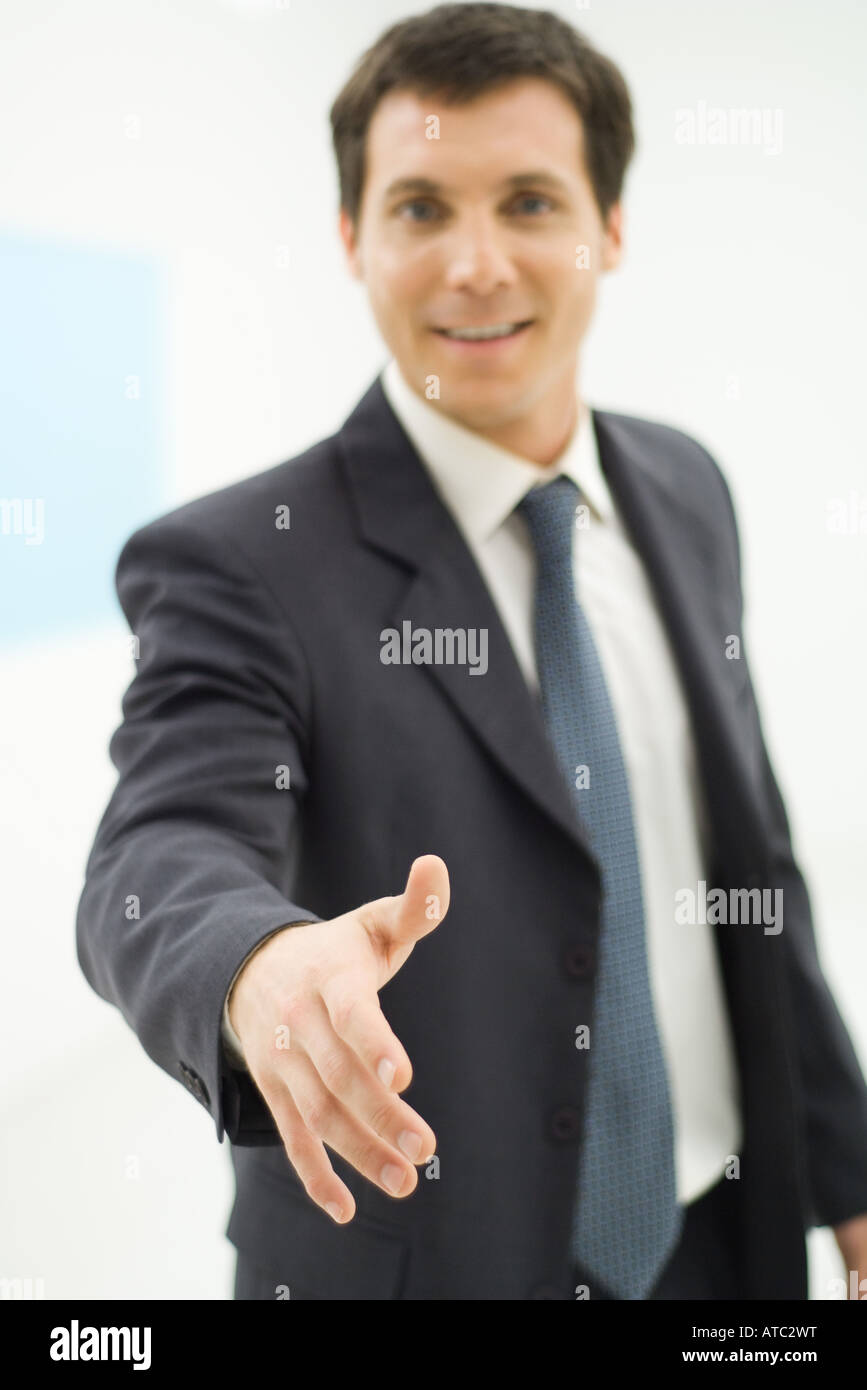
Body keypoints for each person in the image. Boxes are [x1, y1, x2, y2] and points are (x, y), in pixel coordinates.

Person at [76, 3, 867, 1300]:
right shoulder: (242, 560)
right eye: (422, 208)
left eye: (532, 202)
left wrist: (846, 1165)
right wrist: (255, 962)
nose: (476, 263)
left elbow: (750, 858)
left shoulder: (685, 487)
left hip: (724, 1243)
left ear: (612, 227)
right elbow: (162, 846)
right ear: (353, 238)